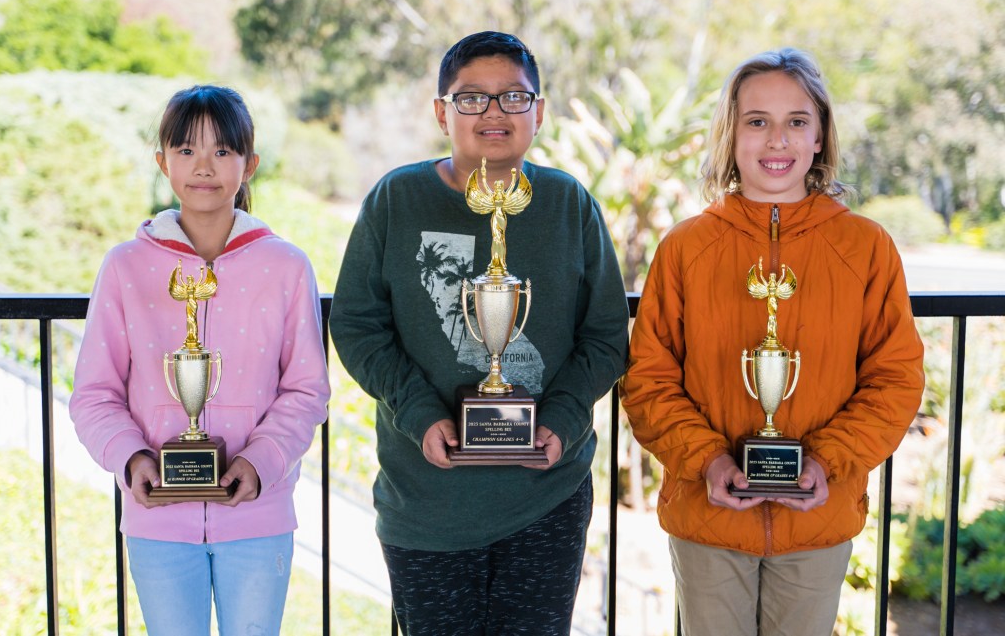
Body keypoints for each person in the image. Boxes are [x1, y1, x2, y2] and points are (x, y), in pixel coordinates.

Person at [330, 31, 629, 635]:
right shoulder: (397, 198)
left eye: (513, 98)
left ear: (538, 113)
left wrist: (564, 419)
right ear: (442, 112)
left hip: (544, 498)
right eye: (471, 98)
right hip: (427, 502)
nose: (493, 113)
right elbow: (358, 325)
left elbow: (604, 335)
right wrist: (418, 412)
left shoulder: (570, 204)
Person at [620, 48, 925, 636]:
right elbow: (649, 379)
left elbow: (896, 377)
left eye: (797, 122)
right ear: (731, 137)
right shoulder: (684, 248)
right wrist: (707, 461)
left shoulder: (866, 246)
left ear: (820, 138)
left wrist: (827, 462)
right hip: (708, 516)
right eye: (757, 121)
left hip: (818, 515)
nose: (776, 140)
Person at [69, 85, 329, 636]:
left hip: (258, 517)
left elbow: (307, 389)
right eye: (186, 150)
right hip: (157, 521)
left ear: (249, 164)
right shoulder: (124, 266)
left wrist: (260, 463)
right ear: (162, 161)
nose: (204, 167)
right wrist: (131, 459)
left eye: (223, 151)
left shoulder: (286, 266)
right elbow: (94, 393)